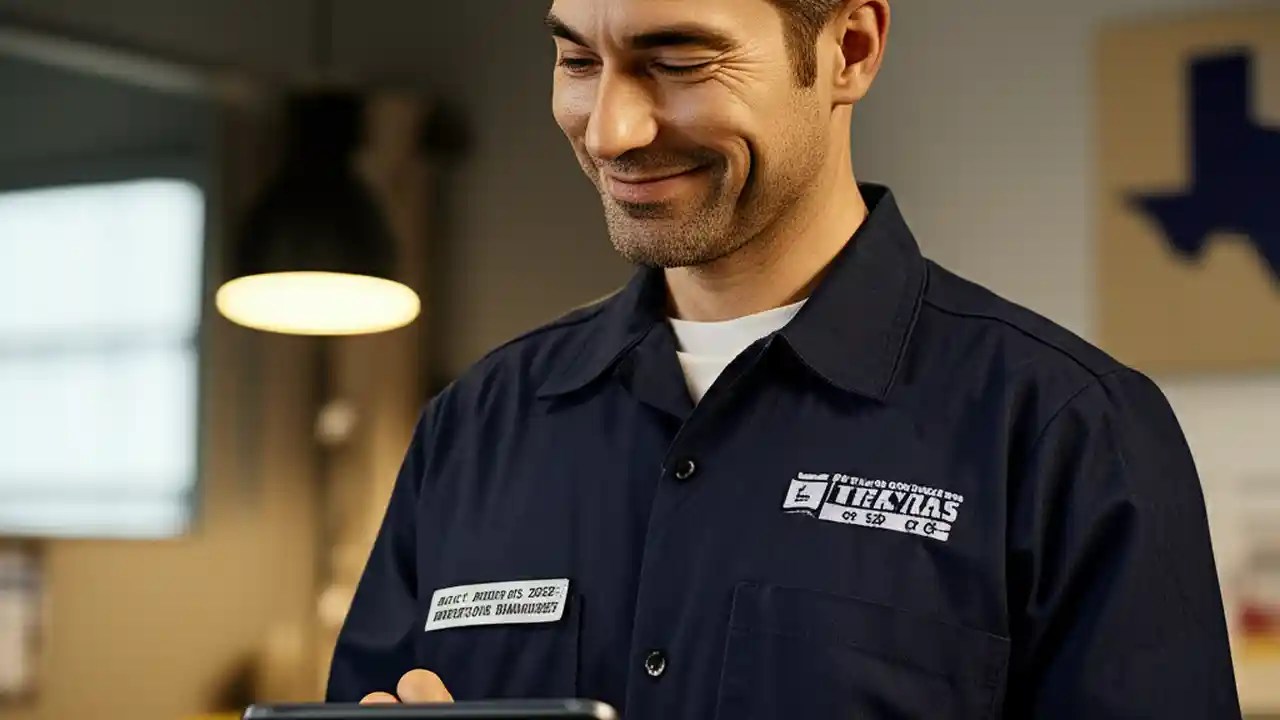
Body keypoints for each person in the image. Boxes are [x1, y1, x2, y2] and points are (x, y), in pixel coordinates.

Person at [327, 0, 1242, 717]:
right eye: (577, 60)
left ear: (849, 49)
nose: (610, 129)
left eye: (679, 62)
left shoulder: (1067, 430)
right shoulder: (478, 423)